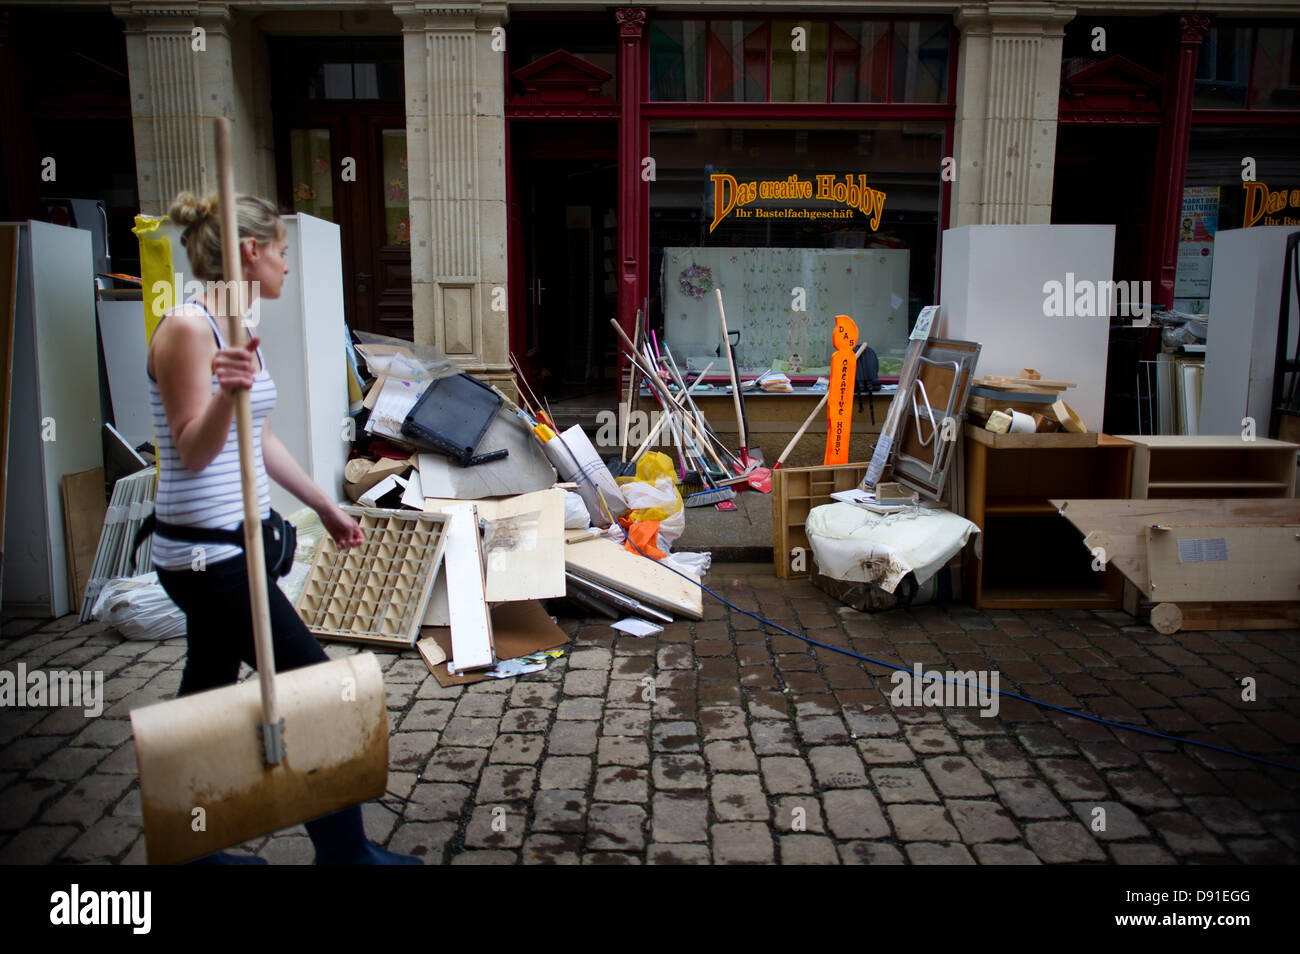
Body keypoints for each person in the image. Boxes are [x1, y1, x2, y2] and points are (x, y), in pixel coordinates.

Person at [146, 191, 419, 865]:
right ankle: (347, 856)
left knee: (203, 692)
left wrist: (325, 504)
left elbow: (258, 437)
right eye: (281, 252)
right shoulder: (187, 329)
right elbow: (190, 447)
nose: (287, 266)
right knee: (313, 692)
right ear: (250, 252)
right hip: (206, 558)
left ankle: (191, 848)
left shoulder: (237, 325)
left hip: (236, 543)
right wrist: (229, 395)